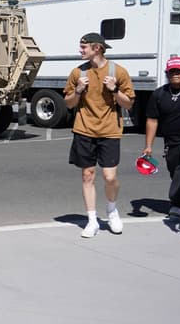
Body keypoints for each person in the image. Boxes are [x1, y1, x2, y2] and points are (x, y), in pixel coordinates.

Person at [64, 32, 135, 238]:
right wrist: (77, 91)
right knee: (88, 175)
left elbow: (129, 103)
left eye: (84, 47)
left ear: (97, 48)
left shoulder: (118, 72)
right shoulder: (78, 72)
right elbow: (69, 103)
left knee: (110, 177)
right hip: (84, 129)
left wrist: (114, 90)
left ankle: (112, 211)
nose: (80, 50)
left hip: (110, 130)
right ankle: (92, 220)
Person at [143, 56, 180, 219]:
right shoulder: (159, 94)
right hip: (171, 141)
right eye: (171, 71)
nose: (175, 74)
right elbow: (152, 120)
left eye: (178, 71)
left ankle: (176, 202)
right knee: (176, 172)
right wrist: (148, 145)